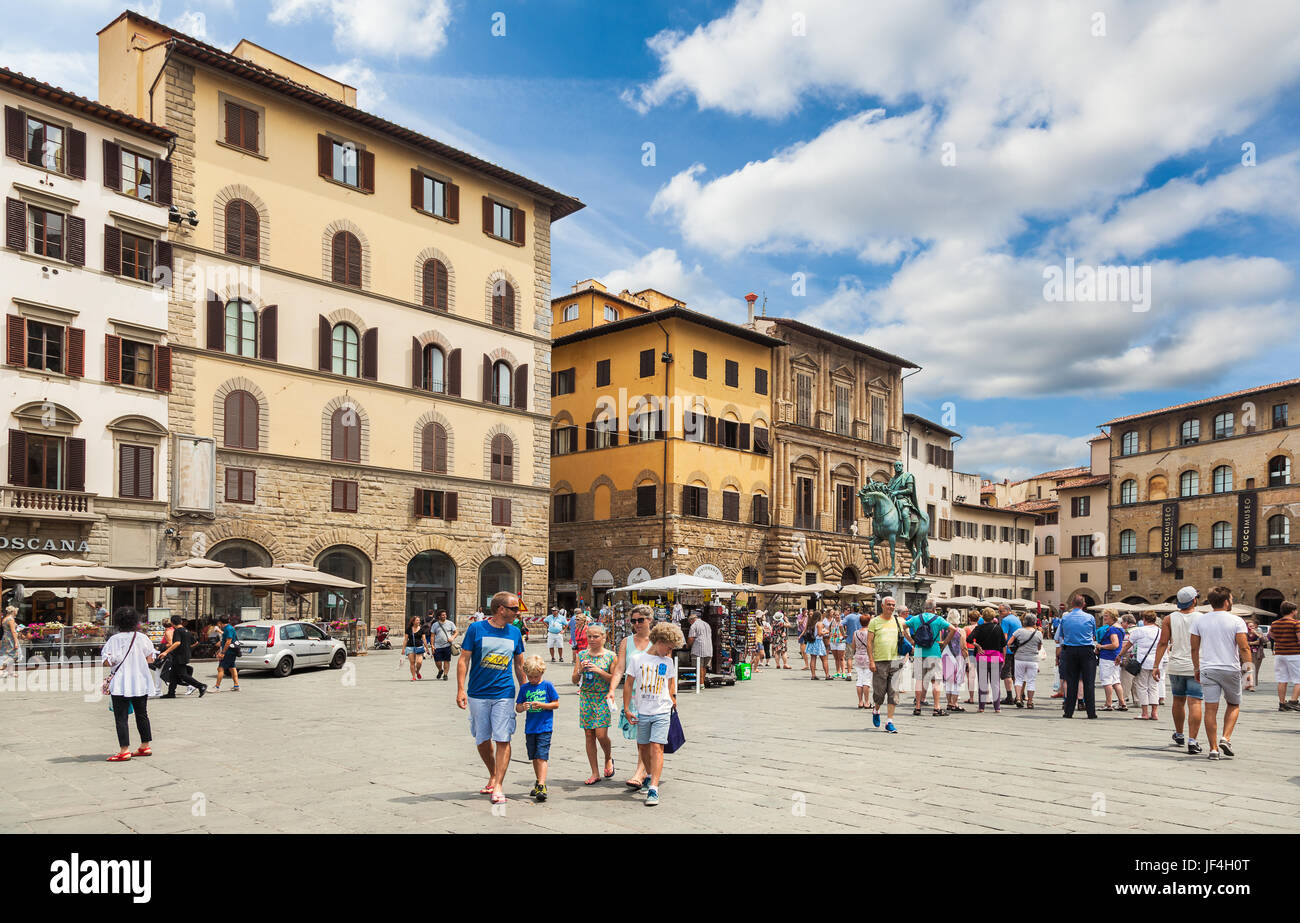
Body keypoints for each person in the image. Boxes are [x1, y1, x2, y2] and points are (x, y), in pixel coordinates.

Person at [456, 591, 527, 806]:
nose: (518, 612)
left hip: (504, 693)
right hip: (478, 693)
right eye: (514, 608)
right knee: (482, 739)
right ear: (500, 609)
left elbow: (519, 665)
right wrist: (460, 689)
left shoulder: (515, 632)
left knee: (503, 737)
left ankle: (498, 785)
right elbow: (463, 660)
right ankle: (493, 773)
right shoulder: (476, 629)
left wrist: (524, 693)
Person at [624, 621, 683, 807]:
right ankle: (649, 775)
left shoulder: (667, 661)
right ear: (659, 640)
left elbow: (670, 683)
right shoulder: (637, 659)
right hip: (642, 711)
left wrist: (673, 698)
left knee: (657, 747)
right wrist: (626, 708)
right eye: (668, 647)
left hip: (662, 711)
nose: (669, 651)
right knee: (643, 747)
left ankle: (653, 788)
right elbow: (628, 684)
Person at [1191, 586, 1251, 760]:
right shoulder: (1236, 621)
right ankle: (1226, 737)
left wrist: (1197, 668)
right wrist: (1249, 671)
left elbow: (1194, 648)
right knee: (1233, 704)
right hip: (1230, 669)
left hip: (1208, 669)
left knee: (1210, 709)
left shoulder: (1200, 620)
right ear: (1226, 602)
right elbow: (1244, 647)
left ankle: (1213, 749)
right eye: (1231, 599)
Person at [101, 607, 158, 762]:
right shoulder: (142, 638)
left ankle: (124, 750)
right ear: (135, 621)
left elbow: (107, 662)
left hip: (121, 682)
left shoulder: (114, 639)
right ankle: (145, 745)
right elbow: (150, 659)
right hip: (141, 681)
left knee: (121, 717)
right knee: (142, 714)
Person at [1152, 586, 1204, 753]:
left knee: (1178, 700)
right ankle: (1192, 740)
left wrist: (1156, 665)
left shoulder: (1169, 618)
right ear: (1194, 600)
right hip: (1195, 665)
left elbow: (1162, 643)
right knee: (1195, 701)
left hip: (1176, 665)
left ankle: (1179, 734)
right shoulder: (1202, 618)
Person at [609, 604, 655, 790]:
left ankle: (641, 772)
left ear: (649, 620)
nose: (636, 624)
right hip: (634, 695)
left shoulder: (658, 640)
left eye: (640, 620)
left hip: (653, 694)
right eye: (633, 621)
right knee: (640, 736)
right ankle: (645, 771)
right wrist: (612, 689)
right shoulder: (626, 642)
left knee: (649, 737)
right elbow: (620, 668)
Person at [574, 624, 616, 785]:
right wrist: (580, 671)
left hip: (602, 697)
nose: (592, 640)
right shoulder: (582, 655)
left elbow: (614, 678)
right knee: (589, 734)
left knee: (601, 734)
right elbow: (574, 680)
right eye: (589, 636)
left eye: (596, 636)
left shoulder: (611, 656)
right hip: (586, 697)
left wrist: (599, 671)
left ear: (604, 638)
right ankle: (594, 772)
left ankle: (608, 757)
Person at [516, 655, 559, 802]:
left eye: (535, 676)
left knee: (542, 755)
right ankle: (538, 779)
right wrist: (523, 707)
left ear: (541, 673)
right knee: (534, 756)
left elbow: (556, 704)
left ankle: (542, 784)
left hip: (545, 727)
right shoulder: (524, 688)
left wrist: (542, 705)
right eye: (530, 677)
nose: (533, 679)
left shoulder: (547, 686)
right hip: (530, 728)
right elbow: (518, 707)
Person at [906, 600, 953, 716]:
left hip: (918, 652)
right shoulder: (938, 619)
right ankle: (936, 708)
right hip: (934, 652)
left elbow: (902, 626)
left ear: (924, 608)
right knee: (935, 681)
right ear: (934, 608)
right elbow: (954, 629)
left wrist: (911, 640)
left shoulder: (917, 618)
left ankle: (917, 707)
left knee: (919, 680)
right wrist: (945, 642)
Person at [865, 598, 905, 732]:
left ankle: (889, 721)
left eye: (893, 605)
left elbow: (907, 637)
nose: (891, 607)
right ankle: (876, 710)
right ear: (882, 606)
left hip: (895, 661)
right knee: (879, 693)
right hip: (879, 661)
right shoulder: (874, 622)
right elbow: (869, 642)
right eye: (888, 604)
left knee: (893, 693)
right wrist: (871, 660)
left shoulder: (898, 621)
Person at [1056, 595, 1098, 719]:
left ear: (1072, 603)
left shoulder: (1065, 617)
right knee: (1089, 682)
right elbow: (1094, 635)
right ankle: (1091, 712)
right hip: (1087, 650)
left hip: (1070, 650)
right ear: (1083, 604)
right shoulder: (1090, 617)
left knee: (1071, 681)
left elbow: (1061, 635)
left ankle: (1068, 712)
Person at [1120, 610, 1161, 720]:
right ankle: (1154, 712)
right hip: (1156, 663)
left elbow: (1127, 646)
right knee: (1153, 686)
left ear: (1144, 619)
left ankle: (1145, 713)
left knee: (1142, 686)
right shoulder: (1160, 631)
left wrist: (1119, 655)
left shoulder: (1139, 631)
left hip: (1142, 661)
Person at [159, 615, 206, 698]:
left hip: (179, 656)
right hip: (184, 655)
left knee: (183, 675)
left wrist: (166, 652)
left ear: (172, 623)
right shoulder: (186, 631)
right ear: (180, 621)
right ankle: (171, 693)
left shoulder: (177, 631)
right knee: (173, 674)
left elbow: (177, 643)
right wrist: (187, 648)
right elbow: (195, 643)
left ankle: (201, 686)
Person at [969, 610, 1007, 713]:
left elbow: (969, 639)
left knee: (982, 682)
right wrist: (1004, 658)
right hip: (995, 657)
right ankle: (997, 707)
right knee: (995, 683)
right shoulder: (998, 628)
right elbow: (1004, 645)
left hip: (982, 657)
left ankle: (981, 707)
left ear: (983, 617)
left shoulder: (979, 628)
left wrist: (977, 645)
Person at [1270, 601, 1300, 711]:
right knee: (1298, 679)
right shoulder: (1296, 623)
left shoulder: (1274, 623)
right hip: (1294, 654)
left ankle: (1282, 704)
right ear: (1293, 611)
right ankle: (1293, 701)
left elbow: (1271, 636)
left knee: (1282, 679)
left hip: (1280, 654)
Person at [1009, 613, 1043, 708]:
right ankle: (1030, 702)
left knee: (1019, 679)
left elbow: (1009, 643)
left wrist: (1014, 648)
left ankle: (1019, 698)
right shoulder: (1038, 633)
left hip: (1019, 658)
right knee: (1031, 681)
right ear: (1034, 622)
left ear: (1024, 621)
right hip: (1033, 659)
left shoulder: (1019, 631)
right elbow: (1039, 647)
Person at [1096, 610, 1127, 711]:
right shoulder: (1120, 628)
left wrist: (1101, 646)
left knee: (1107, 680)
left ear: (1112, 617)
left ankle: (1108, 703)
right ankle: (1122, 703)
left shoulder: (1113, 629)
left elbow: (1115, 644)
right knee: (1116, 681)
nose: (1104, 618)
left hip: (1107, 657)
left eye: (1106, 616)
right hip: (1115, 657)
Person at [941, 611, 967, 713]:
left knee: (948, 681)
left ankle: (949, 703)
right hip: (957, 657)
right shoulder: (961, 630)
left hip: (945, 656)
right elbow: (963, 647)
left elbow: (941, 643)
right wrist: (967, 659)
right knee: (956, 681)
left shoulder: (943, 630)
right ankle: (954, 703)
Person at [997, 604, 1022, 705]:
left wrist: (1000, 648)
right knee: (1015, 673)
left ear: (1008, 611)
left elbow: (1004, 636)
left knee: (1006, 673)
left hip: (1007, 650)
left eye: (1001, 611)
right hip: (1016, 649)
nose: (999, 614)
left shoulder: (1005, 620)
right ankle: (1019, 695)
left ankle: (1009, 696)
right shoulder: (1016, 619)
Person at [211, 614, 240, 692]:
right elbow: (225, 640)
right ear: (229, 620)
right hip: (230, 651)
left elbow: (228, 641)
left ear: (220, 622)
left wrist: (223, 652)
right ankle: (236, 685)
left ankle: (217, 687)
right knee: (232, 668)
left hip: (228, 652)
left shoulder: (228, 629)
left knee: (220, 668)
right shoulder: (228, 628)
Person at [851, 617, 873, 708]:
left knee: (860, 679)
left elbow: (853, 646)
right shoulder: (870, 632)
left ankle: (860, 701)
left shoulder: (855, 633)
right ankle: (867, 702)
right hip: (868, 657)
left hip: (858, 657)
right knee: (867, 680)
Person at [430, 610, 457, 680]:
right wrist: (432, 645)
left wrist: (452, 637)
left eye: (445, 615)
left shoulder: (450, 623)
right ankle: (440, 670)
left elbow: (456, 632)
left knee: (446, 660)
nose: (444, 616)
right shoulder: (435, 625)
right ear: (439, 616)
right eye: (443, 615)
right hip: (437, 646)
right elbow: (432, 636)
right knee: (437, 661)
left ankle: (445, 674)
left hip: (447, 645)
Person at [805, 610, 831, 680]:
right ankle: (827, 675)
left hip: (812, 641)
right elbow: (819, 633)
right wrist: (826, 632)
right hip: (818, 641)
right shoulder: (819, 623)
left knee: (813, 658)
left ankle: (813, 675)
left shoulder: (811, 623)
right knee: (824, 659)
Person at [840, 607, 863, 682]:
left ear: (852, 610)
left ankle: (849, 674)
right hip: (860, 639)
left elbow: (840, 625)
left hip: (850, 639)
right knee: (859, 658)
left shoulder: (848, 617)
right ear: (858, 610)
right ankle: (860, 675)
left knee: (849, 657)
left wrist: (843, 634)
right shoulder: (861, 616)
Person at [686, 611, 713, 675]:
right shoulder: (706, 624)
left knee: (699, 668)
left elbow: (691, 638)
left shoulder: (694, 626)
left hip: (698, 650)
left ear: (691, 620)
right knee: (704, 668)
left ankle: (700, 684)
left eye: (690, 622)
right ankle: (702, 683)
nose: (690, 624)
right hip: (708, 650)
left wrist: (687, 645)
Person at [963, 611, 980, 703]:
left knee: (971, 676)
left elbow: (964, 642)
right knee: (983, 675)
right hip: (978, 651)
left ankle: (971, 697)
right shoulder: (980, 628)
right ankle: (986, 697)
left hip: (969, 651)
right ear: (978, 619)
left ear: (969, 619)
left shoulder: (966, 628)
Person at [1243, 619, 1264, 691]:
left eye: (1253, 626)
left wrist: (1256, 633)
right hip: (1246, 652)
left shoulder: (1258, 632)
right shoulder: (1244, 633)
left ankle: (1251, 685)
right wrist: (1254, 643)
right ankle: (1248, 684)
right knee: (1246, 669)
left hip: (1257, 653)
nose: (1252, 627)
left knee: (1254, 669)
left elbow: (1262, 641)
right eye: (1250, 626)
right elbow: (1243, 642)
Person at [404, 614, 426, 682]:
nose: (418, 621)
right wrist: (403, 649)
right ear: (413, 621)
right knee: (412, 663)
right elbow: (405, 639)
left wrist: (427, 648)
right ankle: (413, 677)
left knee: (419, 662)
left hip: (419, 647)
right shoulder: (408, 629)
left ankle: (417, 671)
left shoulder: (422, 629)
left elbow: (424, 639)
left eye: (419, 620)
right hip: (410, 647)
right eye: (417, 620)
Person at [0, 604, 19, 678]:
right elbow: (13, 631)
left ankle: (10, 672)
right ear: (13, 611)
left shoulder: (5, 618)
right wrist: (16, 642)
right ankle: (2, 670)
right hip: (10, 639)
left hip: (5, 638)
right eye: (16, 611)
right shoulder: (10, 619)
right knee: (12, 655)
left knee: (6, 654)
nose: (16, 612)